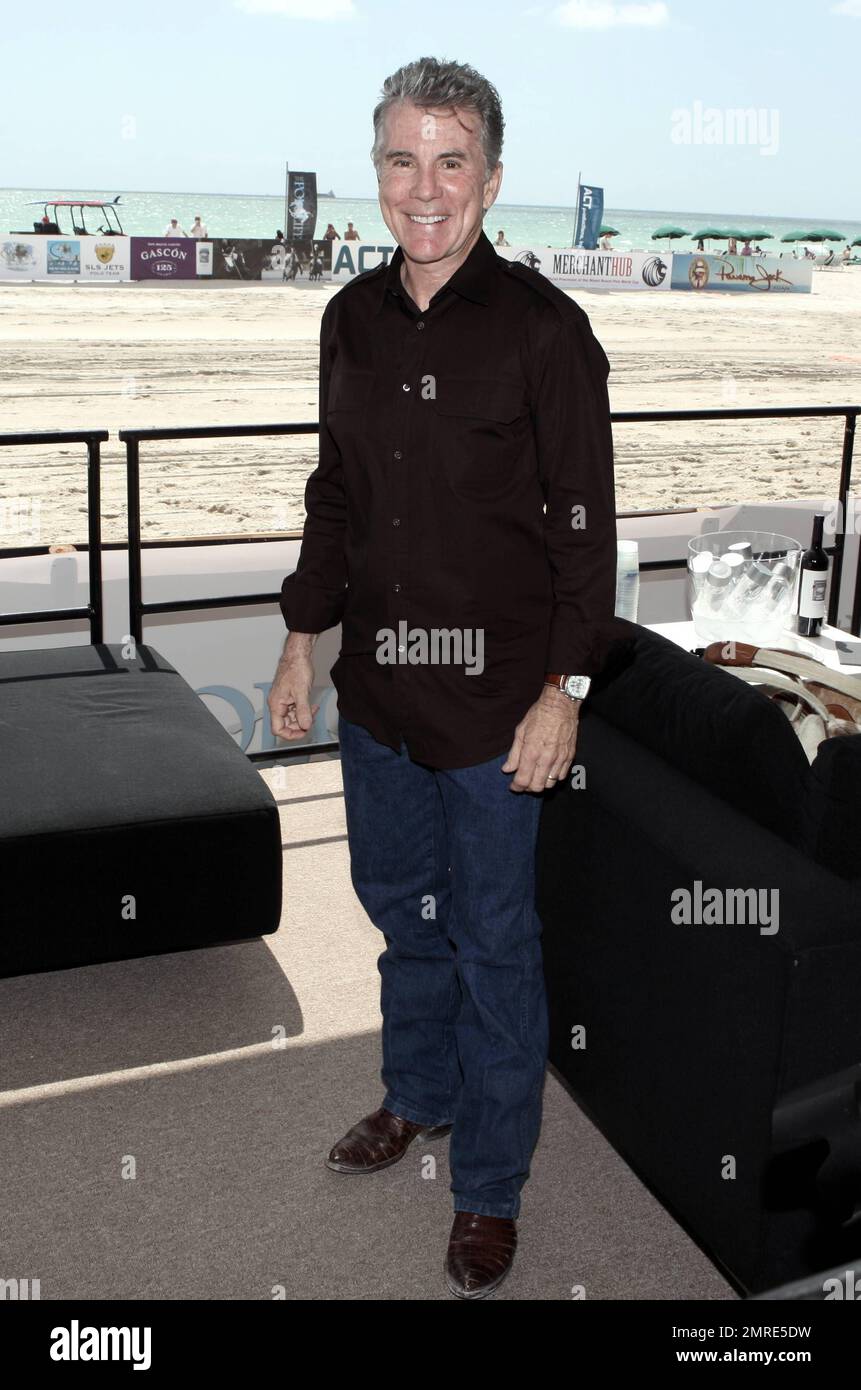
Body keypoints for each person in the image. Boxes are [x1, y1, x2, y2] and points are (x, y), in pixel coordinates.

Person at [270, 55, 616, 1300]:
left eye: (451, 159)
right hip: (383, 700)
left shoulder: (544, 332)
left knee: (495, 946)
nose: (426, 187)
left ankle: (491, 1189)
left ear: (491, 178)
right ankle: (416, 1096)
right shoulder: (348, 320)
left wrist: (562, 691)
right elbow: (336, 497)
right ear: (377, 176)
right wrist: (301, 642)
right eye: (403, 160)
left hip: (494, 711)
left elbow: (586, 532)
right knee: (399, 912)